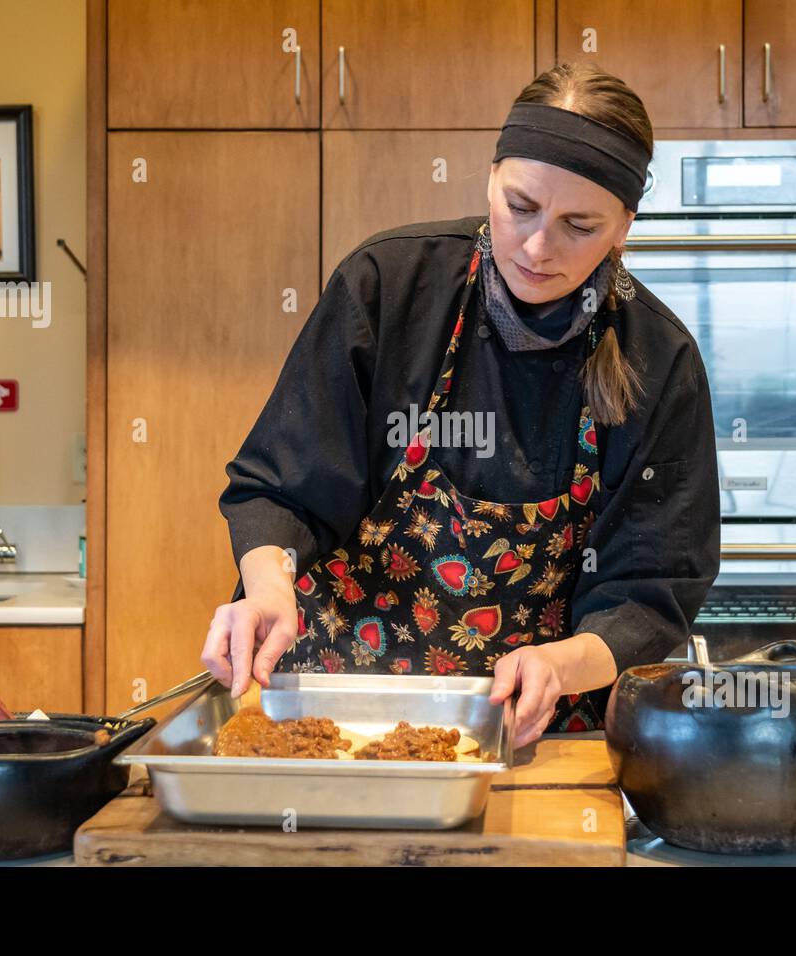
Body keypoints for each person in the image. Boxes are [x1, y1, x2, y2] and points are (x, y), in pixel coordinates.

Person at [202, 62, 720, 747]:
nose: (538, 247)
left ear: (624, 226)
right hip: (337, 714)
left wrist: (562, 664)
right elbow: (283, 486)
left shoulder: (661, 360)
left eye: (580, 225)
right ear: (490, 177)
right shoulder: (388, 288)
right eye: (521, 206)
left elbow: (649, 591)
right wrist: (268, 588)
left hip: (529, 733)